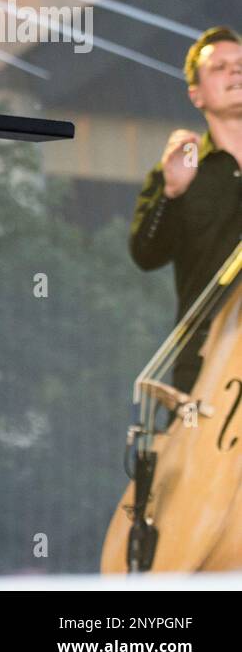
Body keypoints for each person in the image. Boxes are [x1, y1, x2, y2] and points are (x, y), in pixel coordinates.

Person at [130, 26, 242, 392]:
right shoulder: (181, 169)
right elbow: (146, 254)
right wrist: (172, 192)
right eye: (220, 67)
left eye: (241, 64)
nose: (235, 71)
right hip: (208, 363)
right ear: (196, 95)